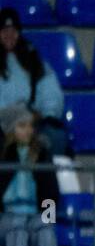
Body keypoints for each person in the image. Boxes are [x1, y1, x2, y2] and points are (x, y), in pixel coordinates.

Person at [0, 9, 65, 154]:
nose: (9, 35)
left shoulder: (34, 60)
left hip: (32, 122)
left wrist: (48, 113)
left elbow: (50, 91)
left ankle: (43, 175)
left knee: (55, 137)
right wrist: (13, 118)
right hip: (3, 124)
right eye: (4, 31)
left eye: (13, 31)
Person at [0, 104, 57, 246]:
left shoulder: (42, 153)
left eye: (30, 126)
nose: (28, 131)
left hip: (34, 214)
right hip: (6, 216)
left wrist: (49, 219)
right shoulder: (2, 155)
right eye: (22, 126)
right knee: (18, 229)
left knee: (46, 231)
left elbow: (51, 192)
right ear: (10, 129)